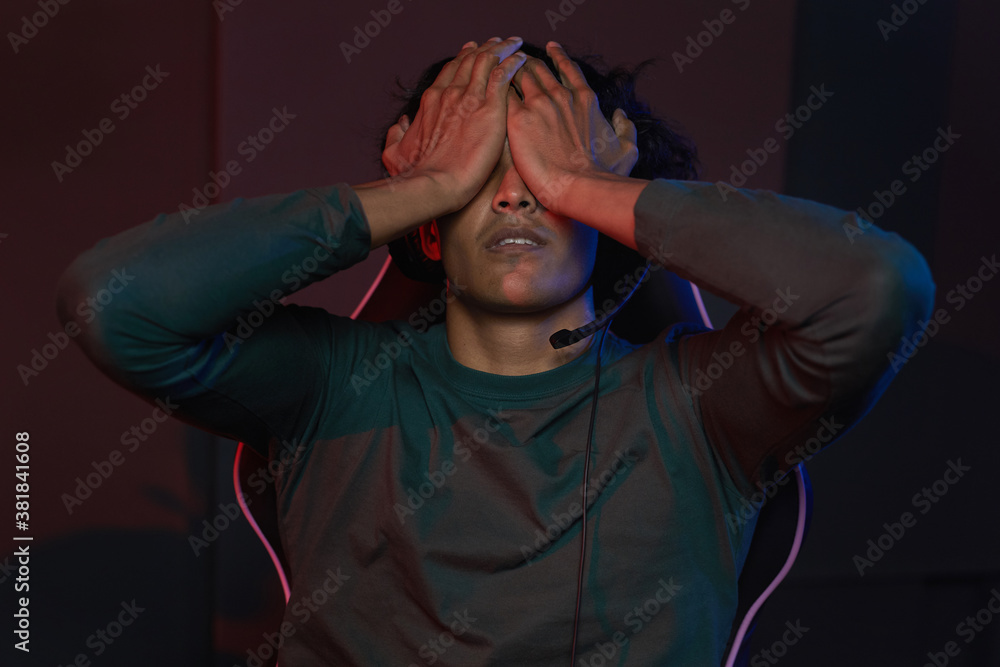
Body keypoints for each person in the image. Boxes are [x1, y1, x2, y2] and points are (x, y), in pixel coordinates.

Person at [57, 36, 935, 665]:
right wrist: (415, 189)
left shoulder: (704, 407)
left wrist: (593, 184)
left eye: (543, 178)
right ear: (430, 233)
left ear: (602, 215)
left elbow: (876, 288)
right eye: (483, 179)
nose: (517, 199)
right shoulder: (330, 385)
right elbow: (114, 303)